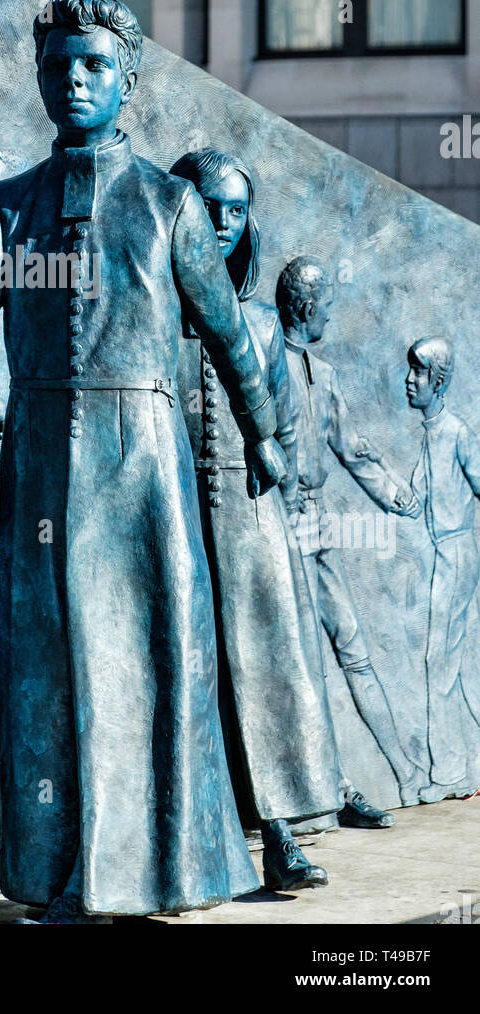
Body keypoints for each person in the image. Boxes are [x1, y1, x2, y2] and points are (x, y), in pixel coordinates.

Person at [0, 0, 285, 922]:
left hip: (144, 467)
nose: (73, 81)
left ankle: (156, 866)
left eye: (93, 67)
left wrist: (264, 431)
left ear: (128, 82)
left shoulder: (169, 204)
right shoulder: (7, 206)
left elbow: (228, 335)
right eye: (58, 66)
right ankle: (59, 874)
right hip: (46, 453)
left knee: (153, 660)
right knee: (49, 668)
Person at [170, 148, 340, 892]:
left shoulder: (264, 325)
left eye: (235, 210)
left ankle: (278, 835)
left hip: (249, 524)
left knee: (261, 675)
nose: (221, 222)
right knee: (188, 675)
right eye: (208, 206)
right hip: (173, 515)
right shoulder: (154, 317)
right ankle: (192, 841)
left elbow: (288, 442)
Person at [276, 256, 426, 815]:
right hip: (276, 524)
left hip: (315, 523)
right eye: (327, 308)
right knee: (304, 663)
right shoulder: (267, 365)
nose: (331, 318)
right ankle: (331, 788)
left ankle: (405, 773)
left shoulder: (325, 374)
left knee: (353, 649)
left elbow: (353, 447)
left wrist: (396, 495)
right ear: (307, 307)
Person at [405, 337, 480, 802]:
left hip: (457, 553)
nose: (408, 381)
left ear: (438, 380)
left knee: (442, 660)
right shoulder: (430, 432)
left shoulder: (456, 431)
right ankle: (455, 768)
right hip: (445, 555)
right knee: (451, 663)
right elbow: (414, 499)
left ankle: (453, 772)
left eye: (417, 372)